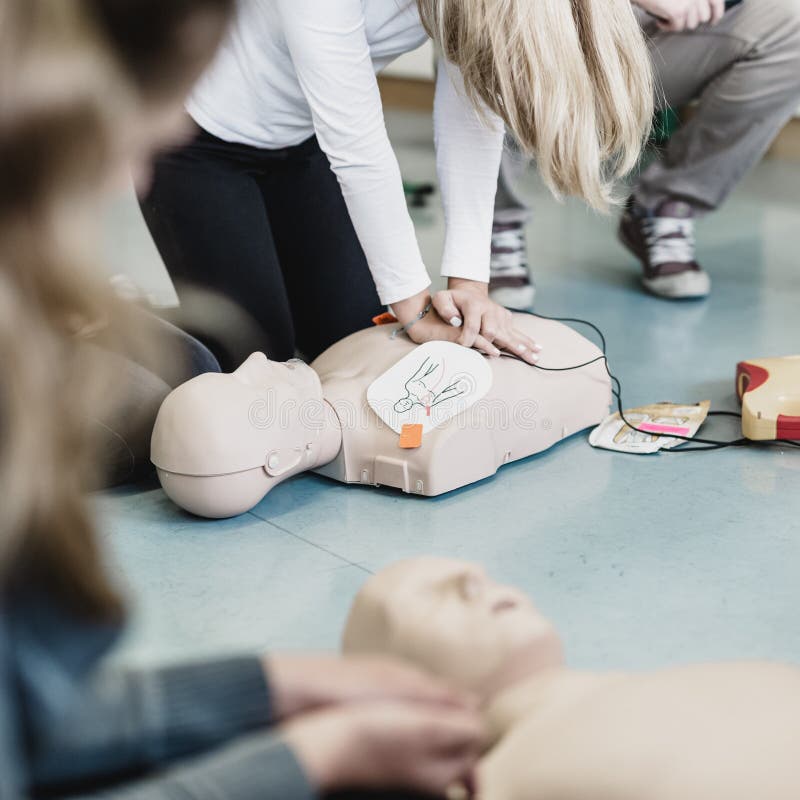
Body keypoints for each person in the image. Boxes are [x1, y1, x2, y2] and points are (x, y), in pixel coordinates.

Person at [0, 2, 484, 798]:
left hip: (284, 158)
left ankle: (123, 329)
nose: (138, 173)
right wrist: (317, 760)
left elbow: (34, 715)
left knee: (234, 351)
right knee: (204, 369)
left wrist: (274, 689)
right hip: (221, 164)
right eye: (127, 133)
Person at [138, 0, 654, 371]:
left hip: (301, 144)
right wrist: (418, 310)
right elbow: (358, 147)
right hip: (192, 141)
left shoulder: (477, 8)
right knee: (254, 367)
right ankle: (113, 322)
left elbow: (472, 116)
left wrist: (468, 285)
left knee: (356, 345)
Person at [345, 557, 800, 799]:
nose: (472, 582)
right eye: (428, 601)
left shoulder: (638, 687)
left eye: (483, 579)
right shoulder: (490, 781)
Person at [490, 0, 800, 306]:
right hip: (534, 30)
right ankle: (492, 225)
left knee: (788, 24)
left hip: (637, 34)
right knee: (483, 21)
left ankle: (664, 208)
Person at [150, 314, 612, 518]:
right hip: (562, 351)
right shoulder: (428, 447)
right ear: (277, 461)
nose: (254, 361)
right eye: (249, 389)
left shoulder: (330, 361)